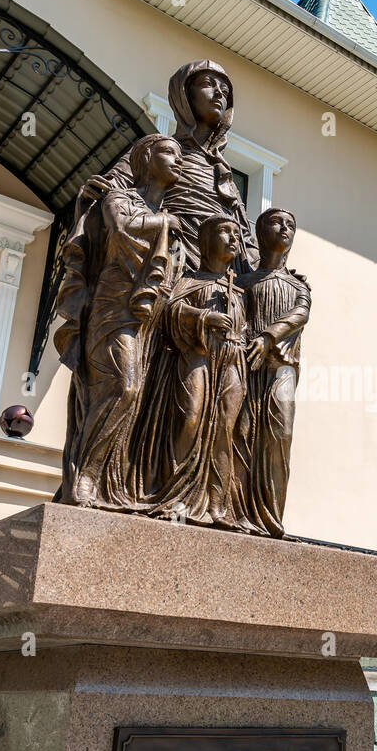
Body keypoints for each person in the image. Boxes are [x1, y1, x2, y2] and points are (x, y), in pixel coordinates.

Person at [55, 134, 181, 510]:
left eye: (179, 154)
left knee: (135, 397)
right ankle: (84, 478)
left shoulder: (168, 215)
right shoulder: (121, 197)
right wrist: (165, 221)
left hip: (150, 317)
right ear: (145, 159)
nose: (177, 159)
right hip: (113, 306)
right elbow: (122, 226)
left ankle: (109, 483)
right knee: (121, 388)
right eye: (168, 152)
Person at [78, 60, 258, 274]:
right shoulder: (157, 151)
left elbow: (247, 241)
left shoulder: (223, 172)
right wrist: (92, 195)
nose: (219, 93)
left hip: (217, 274)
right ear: (184, 94)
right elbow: (112, 193)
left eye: (225, 90)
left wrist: (272, 271)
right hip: (170, 257)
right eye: (208, 83)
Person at [142, 216, 254, 530]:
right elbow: (170, 313)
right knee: (189, 417)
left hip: (232, 361)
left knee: (224, 429)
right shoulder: (190, 281)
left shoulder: (240, 291)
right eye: (224, 232)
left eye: (236, 234)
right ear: (205, 242)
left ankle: (218, 506)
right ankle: (174, 498)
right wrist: (204, 317)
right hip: (197, 356)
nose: (233, 239)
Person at [237, 209, 311, 536]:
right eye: (276, 223)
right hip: (243, 368)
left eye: (290, 225)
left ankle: (270, 517)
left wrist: (267, 338)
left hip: (281, 369)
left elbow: (300, 314)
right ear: (259, 232)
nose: (285, 229)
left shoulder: (299, 285)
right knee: (240, 433)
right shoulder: (242, 281)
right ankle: (238, 510)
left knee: (279, 434)